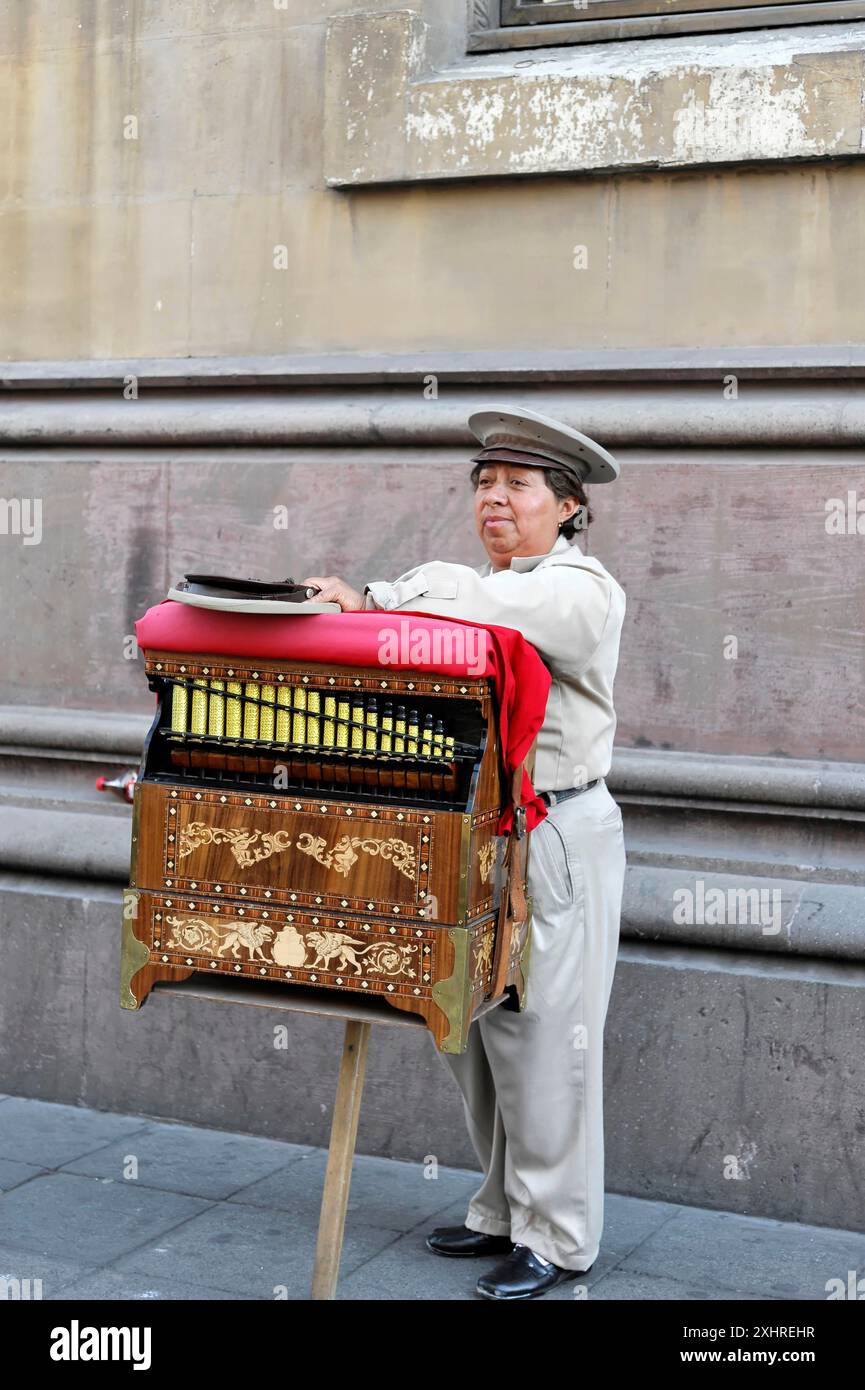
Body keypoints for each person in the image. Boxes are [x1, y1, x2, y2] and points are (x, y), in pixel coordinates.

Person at [301, 404, 626, 1301]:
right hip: (479, 832)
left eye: (518, 486)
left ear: (566, 507)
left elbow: (492, 605)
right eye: (484, 483)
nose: (495, 499)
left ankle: (558, 1240)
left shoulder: (577, 589)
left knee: (544, 1037)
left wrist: (377, 596)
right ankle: (501, 1211)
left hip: (555, 832)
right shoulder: (472, 589)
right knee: (472, 1030)